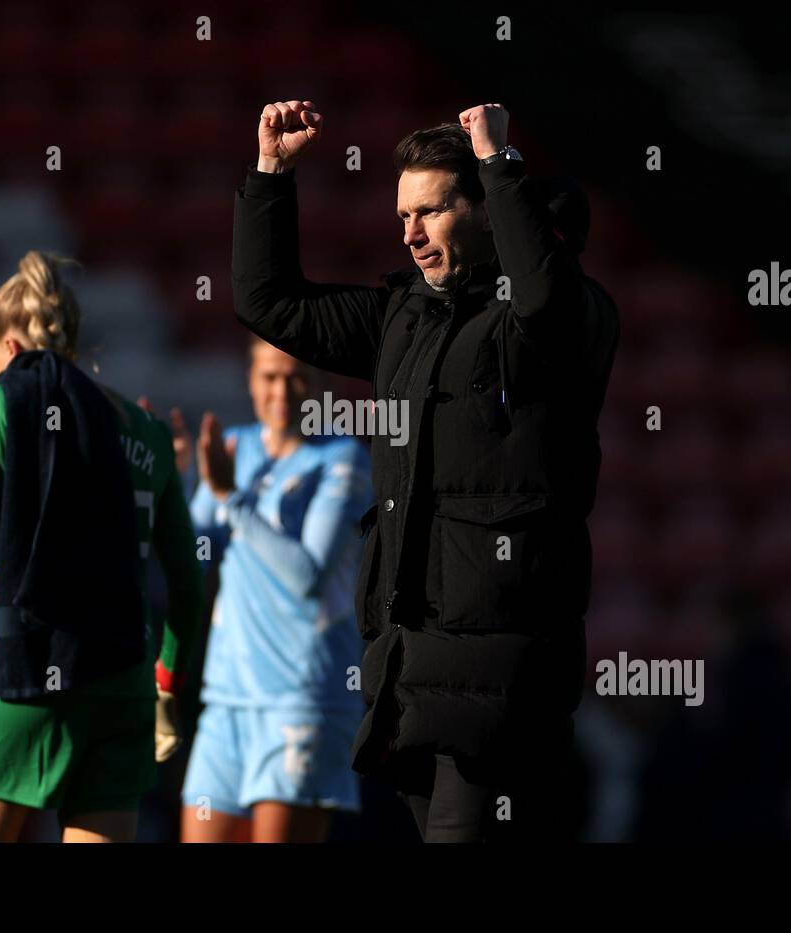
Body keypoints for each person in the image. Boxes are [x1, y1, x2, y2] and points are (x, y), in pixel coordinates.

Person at [232, 101, 619, 841]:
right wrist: (272, 173)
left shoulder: (561, 317)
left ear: (486, 210)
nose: (408, 233)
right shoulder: (404, 316)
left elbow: (541, 297)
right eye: (402, 215)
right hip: (406, 671)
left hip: (502, 675)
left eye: (431, 212)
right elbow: (268, 301)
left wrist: (497, 161)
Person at [0, 251, 203, 842]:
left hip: (14, 674)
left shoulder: (5, 401)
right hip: (122, 684)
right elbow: (188, 584)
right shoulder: (147, 430)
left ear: (9, 347)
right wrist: (166, 686)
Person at [177, 337, 372, 843]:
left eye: (295, 377)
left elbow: (306, 575)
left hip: (302, 699)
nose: (281, 390)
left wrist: (230, 498)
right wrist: (174, 486)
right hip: (226, 699)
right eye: (269, 376)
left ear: (320, 385)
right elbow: (191, 553)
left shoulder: (342, 457)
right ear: (250, 379)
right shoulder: (234, 452)